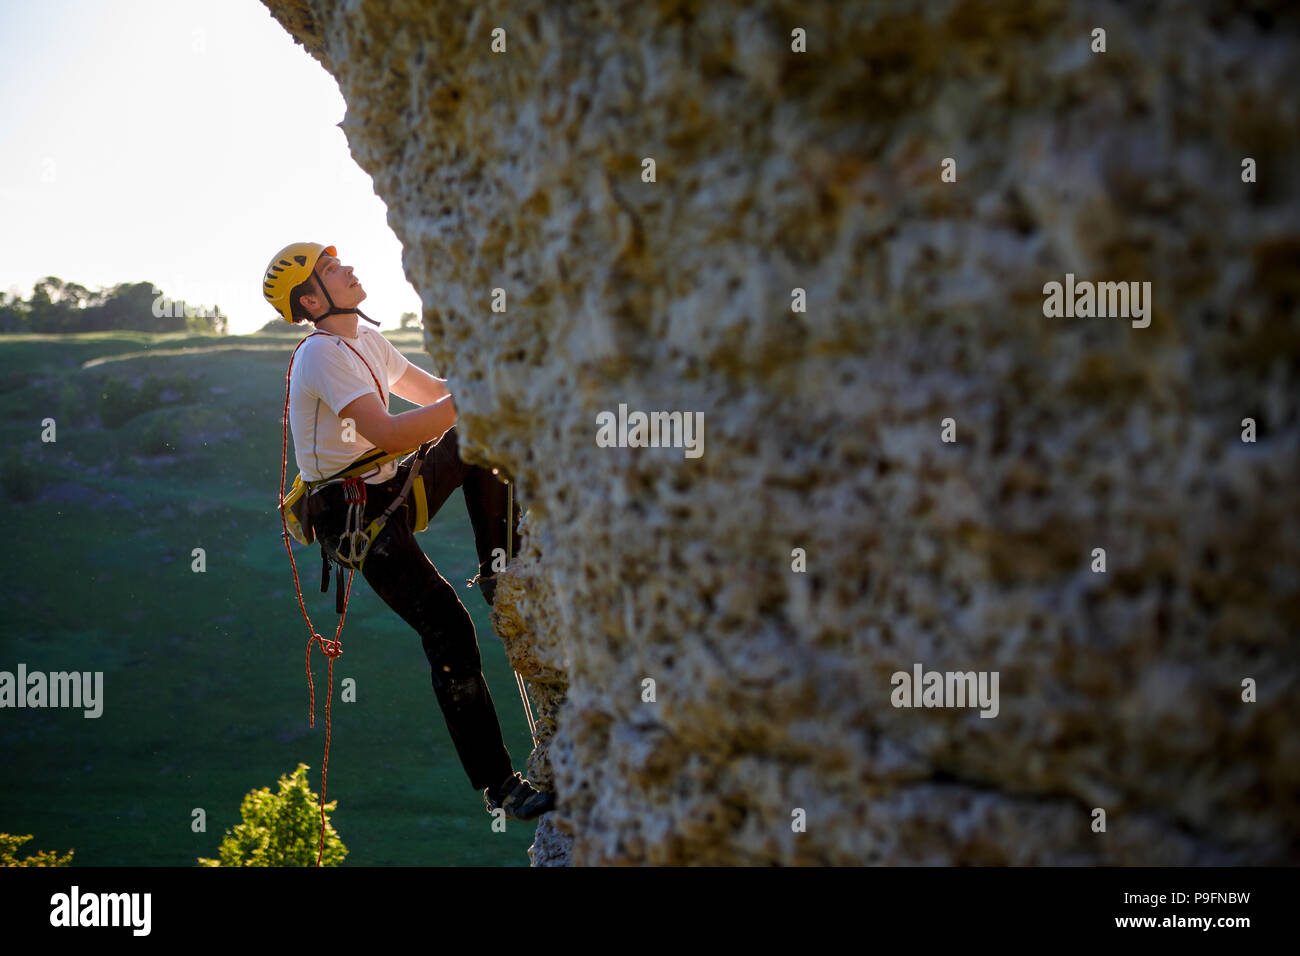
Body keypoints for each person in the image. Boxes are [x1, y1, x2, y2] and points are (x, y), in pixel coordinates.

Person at [262, 241, 555, 822]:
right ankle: (500, 786)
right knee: (445, 625)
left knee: (481, 436)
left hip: (390, 485)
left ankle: (502, 572)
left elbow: (431, 394)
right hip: (354, 514)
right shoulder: (321, 355)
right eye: (330, 269)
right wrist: (476, 396)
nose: (347, 268)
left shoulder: (366, 338)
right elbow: (393, 432)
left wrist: (493, 381)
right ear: (312, 298)